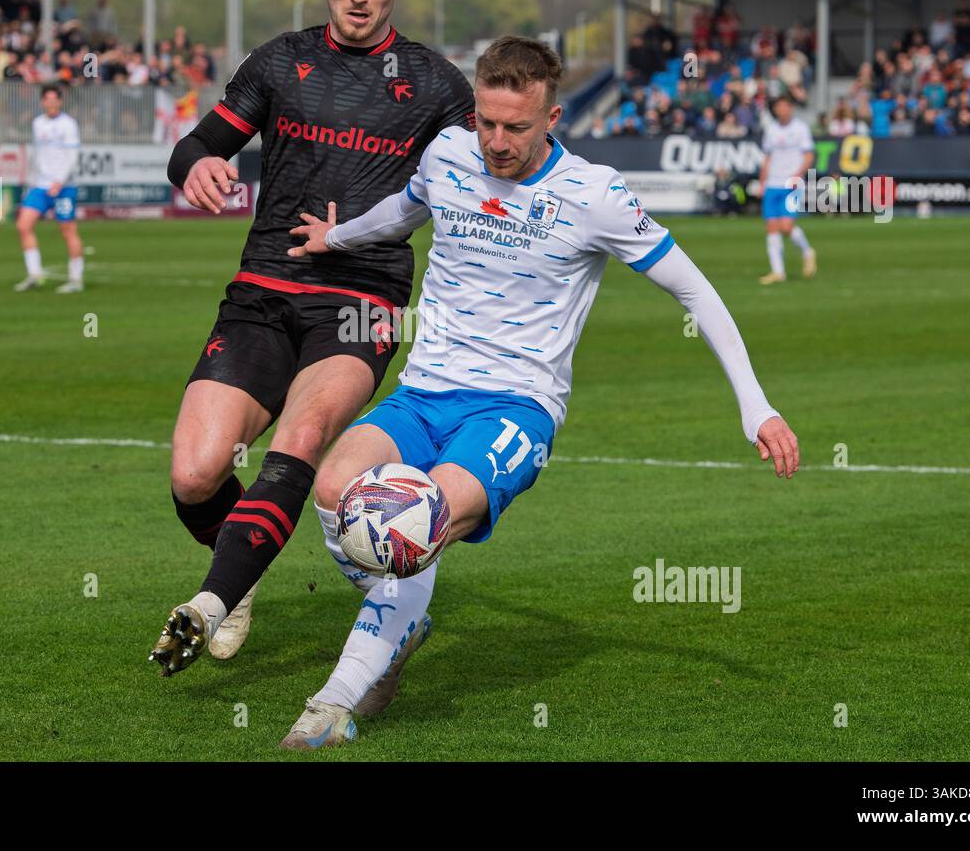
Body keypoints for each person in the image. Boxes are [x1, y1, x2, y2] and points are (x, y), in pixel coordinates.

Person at [277, 36, 800, 748]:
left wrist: (755, 403)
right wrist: (335, 239)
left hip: (515, 406)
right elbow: (403, 211)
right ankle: (398, 623)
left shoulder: (594, 195)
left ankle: (338, 697)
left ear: (552, 116)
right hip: (425, 390)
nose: (496, 141)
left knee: (417, 524)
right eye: (486, 122)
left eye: (516, 127)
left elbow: (695, 289)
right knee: (334, 488)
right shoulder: (448, 154)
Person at [149, 0, 475, 676]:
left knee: (298, 441)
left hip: (362, 303)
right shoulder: (277, 62)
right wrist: (195, 163)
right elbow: (201, 141)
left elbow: (494, 178)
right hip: (261, 291)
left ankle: (210, 599)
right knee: (195, 475)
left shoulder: (436, 85)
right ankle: (243, 565)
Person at [14, 84, 84, 293]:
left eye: (55, 99)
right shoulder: (37, 123)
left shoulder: (68, 124)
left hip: (64, 186)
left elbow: (72, 156)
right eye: (48, 99)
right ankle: (35, 274)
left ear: (60, 102)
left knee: (68, 230)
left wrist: (59, 181)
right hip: (41, 185)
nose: (51, 103)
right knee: (23, 225)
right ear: (42, 102)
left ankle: (76, 279)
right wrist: (32, 179)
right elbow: (38, 155)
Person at [757, 96, 816, 283]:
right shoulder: (771, 130)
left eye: (785, 106)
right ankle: (778, 272)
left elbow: (808, 155)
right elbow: (768, 158)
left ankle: (807, 251)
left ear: (790, 108)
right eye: (778, 107)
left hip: (791, 184)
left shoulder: (800, 128)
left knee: (786, 226)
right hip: (772, 183)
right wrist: (762, 181)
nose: (782, 110)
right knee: (772, 227)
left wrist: (798, 175)